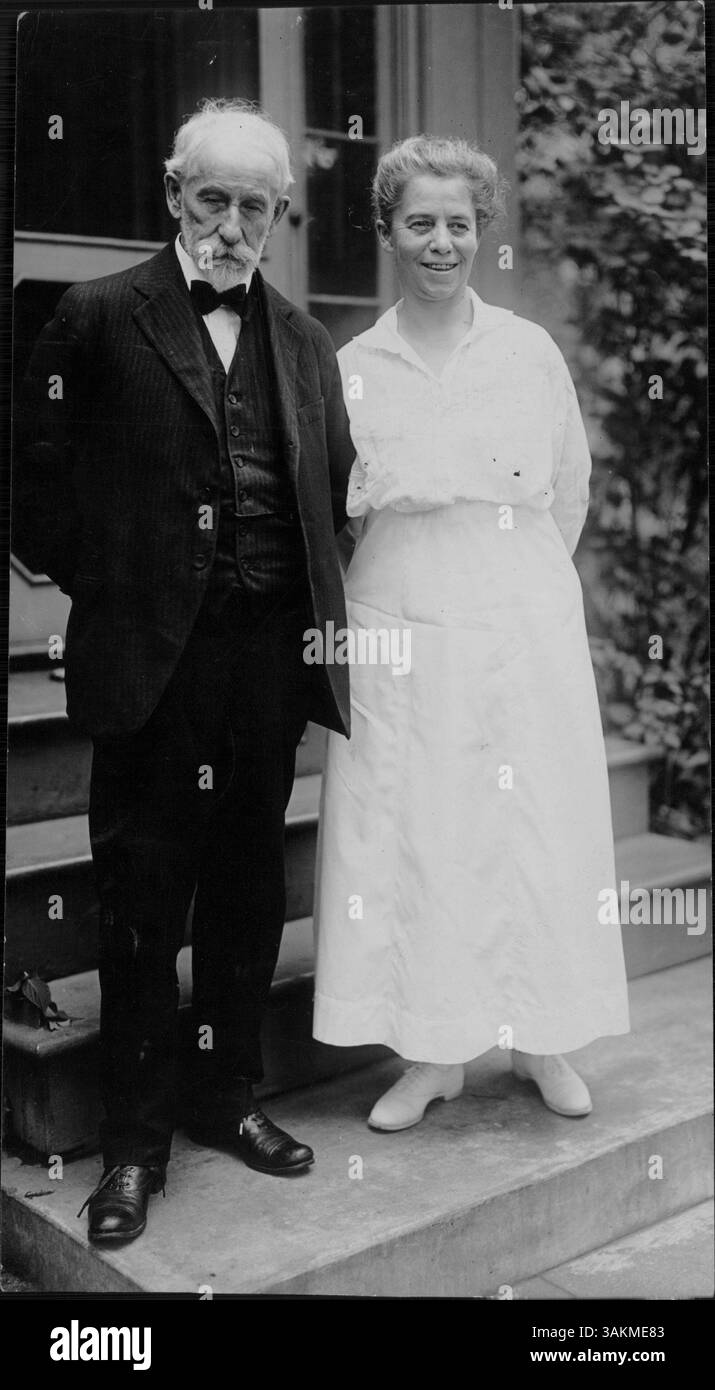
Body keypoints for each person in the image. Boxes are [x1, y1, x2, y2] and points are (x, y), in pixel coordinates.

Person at [13, 98, 355, 1242]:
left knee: (250, 894)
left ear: (276, 216)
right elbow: (34, 478)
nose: (231, 224)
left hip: (263, 666)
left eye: (255, 205)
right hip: (149, 666)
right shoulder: (98, 318)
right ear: (173, 196)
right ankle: (132, 1147)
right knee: (141, 908)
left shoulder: (304, 344)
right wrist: (107, 582)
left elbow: (330, 495)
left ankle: (225, 1101)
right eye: (212, 199)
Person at [312, 135, 630, 1132]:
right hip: (398, 616)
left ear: (479, 231)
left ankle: (542, 1036)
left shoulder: (528, 352)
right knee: (412, 834)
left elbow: (568, 489)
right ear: (387, 232)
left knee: (533, 825)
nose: (440, 242)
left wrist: (507, 583)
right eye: (420, 223)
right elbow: (340, 507)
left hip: (517, 613)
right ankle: (431, 1052)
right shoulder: (354, 363)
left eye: (457, 223)